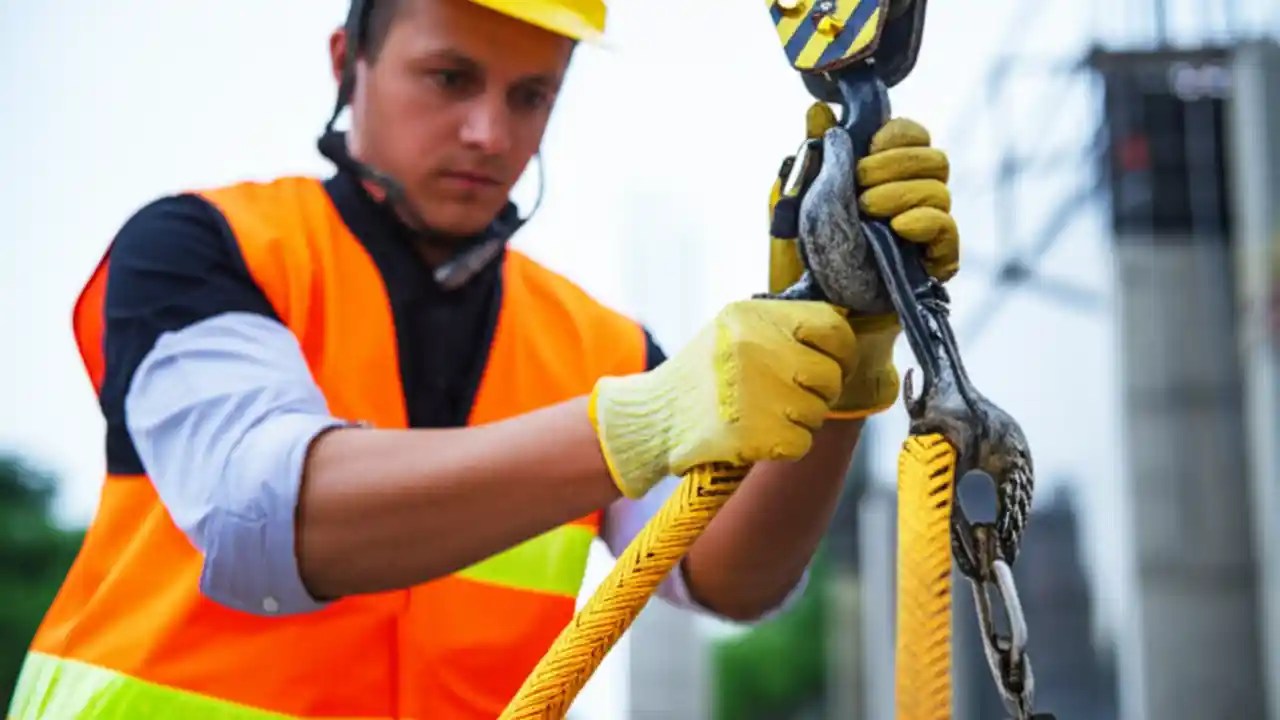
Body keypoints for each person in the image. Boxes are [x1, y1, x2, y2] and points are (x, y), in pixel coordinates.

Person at [9, 0, 959, 717]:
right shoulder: (204, 248)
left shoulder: (598, 342)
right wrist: (643, 421)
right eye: (450, 78)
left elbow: (729, 576)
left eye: (530, 95)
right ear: (351, 63)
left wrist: (843, 367)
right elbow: (267, 515)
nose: (488, 134)